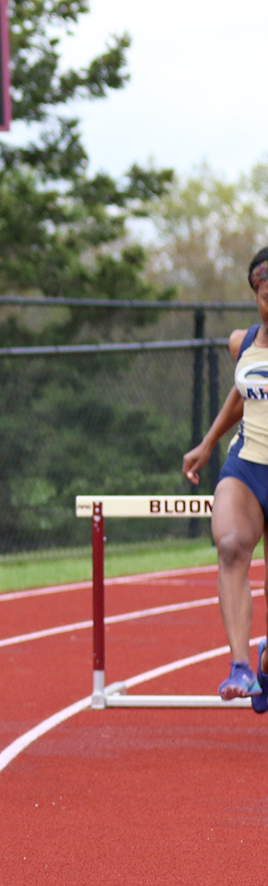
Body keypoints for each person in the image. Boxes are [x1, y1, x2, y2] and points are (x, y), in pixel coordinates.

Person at [179, 246, 268, 713]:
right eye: (264, 289)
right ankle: (240, 668)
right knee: (231, 545)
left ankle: (266, 660)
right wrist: (208, 443)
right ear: (255, 293)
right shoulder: (243, 342)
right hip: (248, 467)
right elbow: (240, 392)